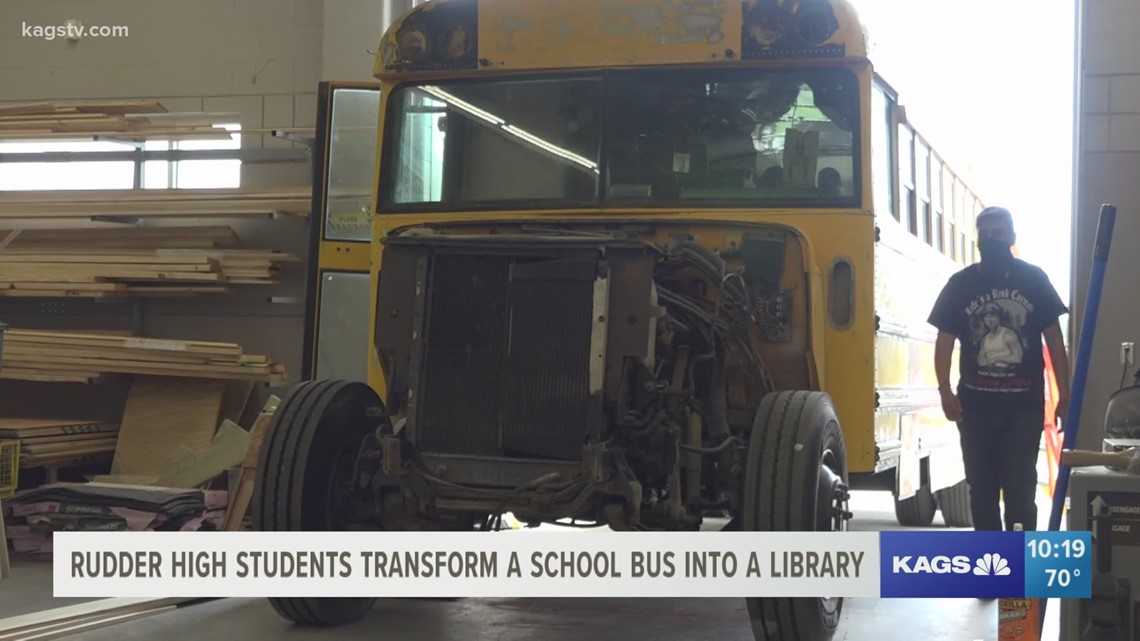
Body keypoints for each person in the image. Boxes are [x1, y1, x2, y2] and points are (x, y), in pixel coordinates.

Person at [927, 206, 1071, 531]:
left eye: (998, 233)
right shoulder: (960, 284)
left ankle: (1019, 568)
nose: (991, 240)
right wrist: (944, 389)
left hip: (1023, 410)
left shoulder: (1033, 280)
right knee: (982, 493)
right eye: (985, 234)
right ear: (977, 239)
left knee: (1020, 493)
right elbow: (944, 339)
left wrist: (1065, 395)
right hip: (974, 410)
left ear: (1012, 238)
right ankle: (990, 570)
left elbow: (1055, 342)